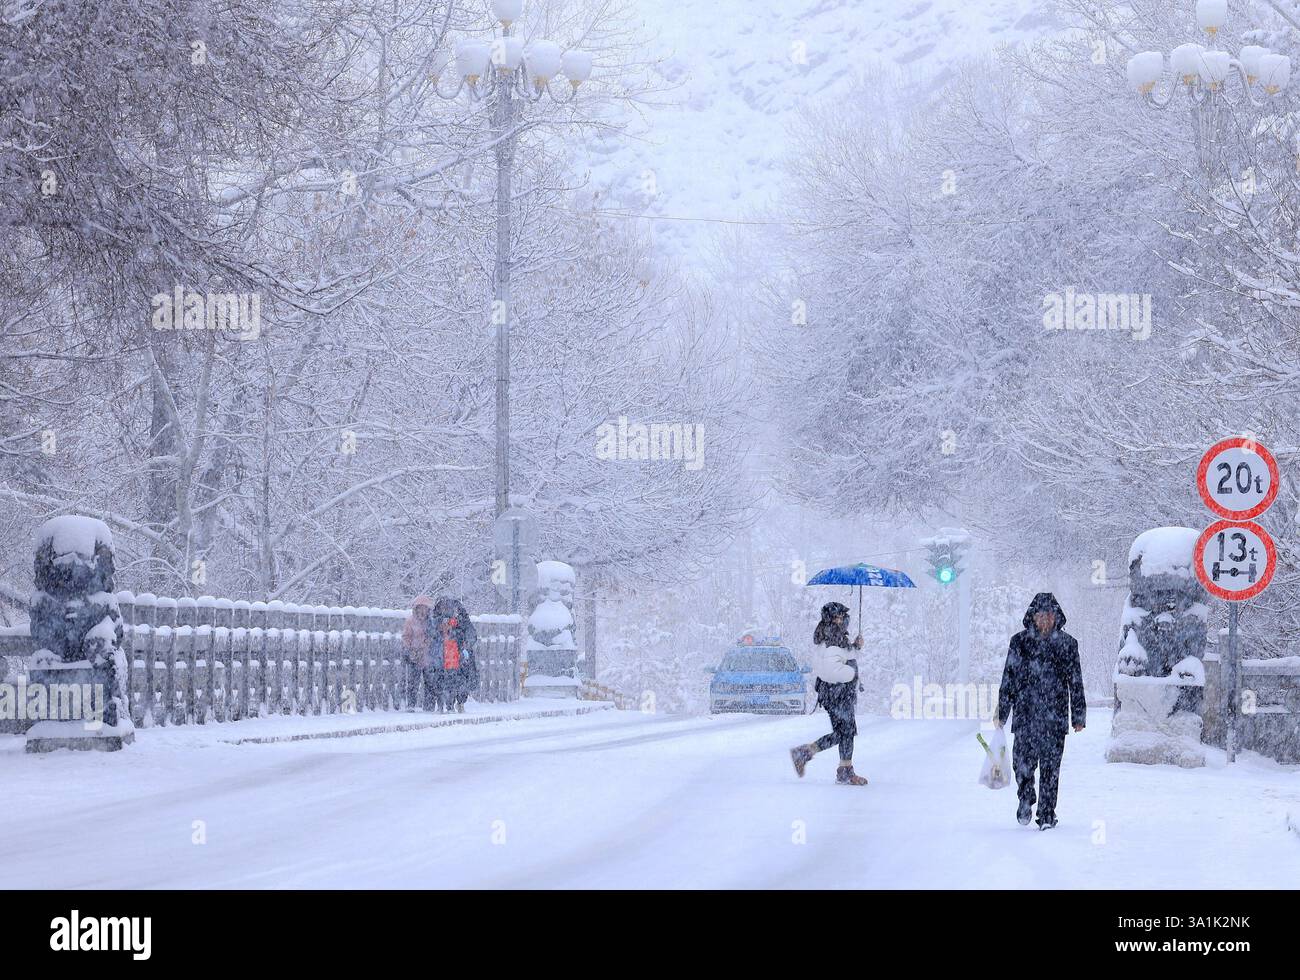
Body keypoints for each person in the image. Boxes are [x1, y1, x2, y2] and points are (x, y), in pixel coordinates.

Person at [995, 592, 1086, 830]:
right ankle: (1025, 798)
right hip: (1025, 716)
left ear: (1056, 617)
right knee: (1021, 765)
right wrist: (1002, 712)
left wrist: (1078, 716)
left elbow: (1075, 681)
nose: (1045, 620)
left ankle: (1046, 814)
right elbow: (1009, 679)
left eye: (1049, 615)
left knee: (1050, 770)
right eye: (1040, 615)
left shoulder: (1067, 645)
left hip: (1054, 719)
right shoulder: (1020, 643)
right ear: (1032, 617)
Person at [789, 601, 869, 785]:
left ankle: (843, 769)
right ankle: (807, 753)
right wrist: (852, 674)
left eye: (841, 616)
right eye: (836, 617)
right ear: (829, 619)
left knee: (844, 732)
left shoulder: (832, 636)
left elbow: (844, 656)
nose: (840, 620)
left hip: (833, 693)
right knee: (845, 732)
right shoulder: (833, 638)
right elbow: (832, 670)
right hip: (838, 692)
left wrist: (855, 647)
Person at [431, 597, 478, 713]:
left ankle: (459, 702)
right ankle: (444, 703)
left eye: (448, 607)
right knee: (442, 680)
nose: (446, 609)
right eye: (443, 607)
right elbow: (431, 635)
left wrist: (465, 647)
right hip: (443, 657)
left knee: (459, 680)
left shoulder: (461, 622)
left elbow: (470, 635)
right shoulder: (436, 622)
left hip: (458, 656)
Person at [401, 596, 435, 711]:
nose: (422, 610)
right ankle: (411, 705)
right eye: (420, 608)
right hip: (415, 655)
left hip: (428, 656)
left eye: (425, 608)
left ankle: (429, 705)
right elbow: (406, 636)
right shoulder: (410, 621)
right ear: (416, 608)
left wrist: (429, 643)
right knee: (413, 682)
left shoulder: (431, 622)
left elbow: (434, 636)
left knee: (430, 681)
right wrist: (410, 648)